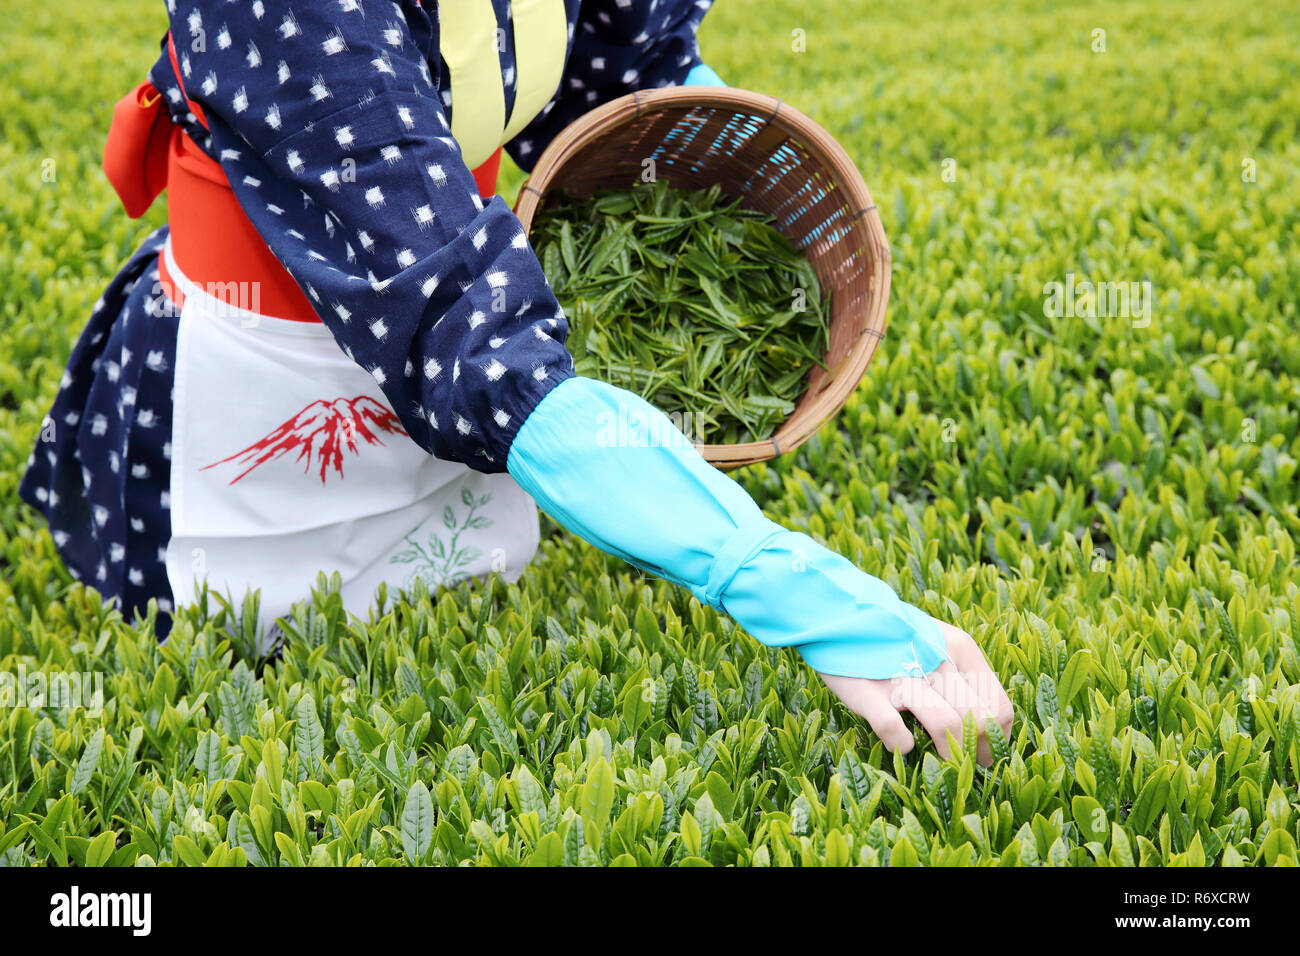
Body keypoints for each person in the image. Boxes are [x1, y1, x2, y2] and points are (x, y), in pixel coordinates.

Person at [20, 0, 1013, 763]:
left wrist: (712, 189)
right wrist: (798, 590)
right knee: (259, 651)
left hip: (471, 349)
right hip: (270, 391)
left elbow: (623, 79)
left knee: (471, 580)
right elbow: (475, 342)